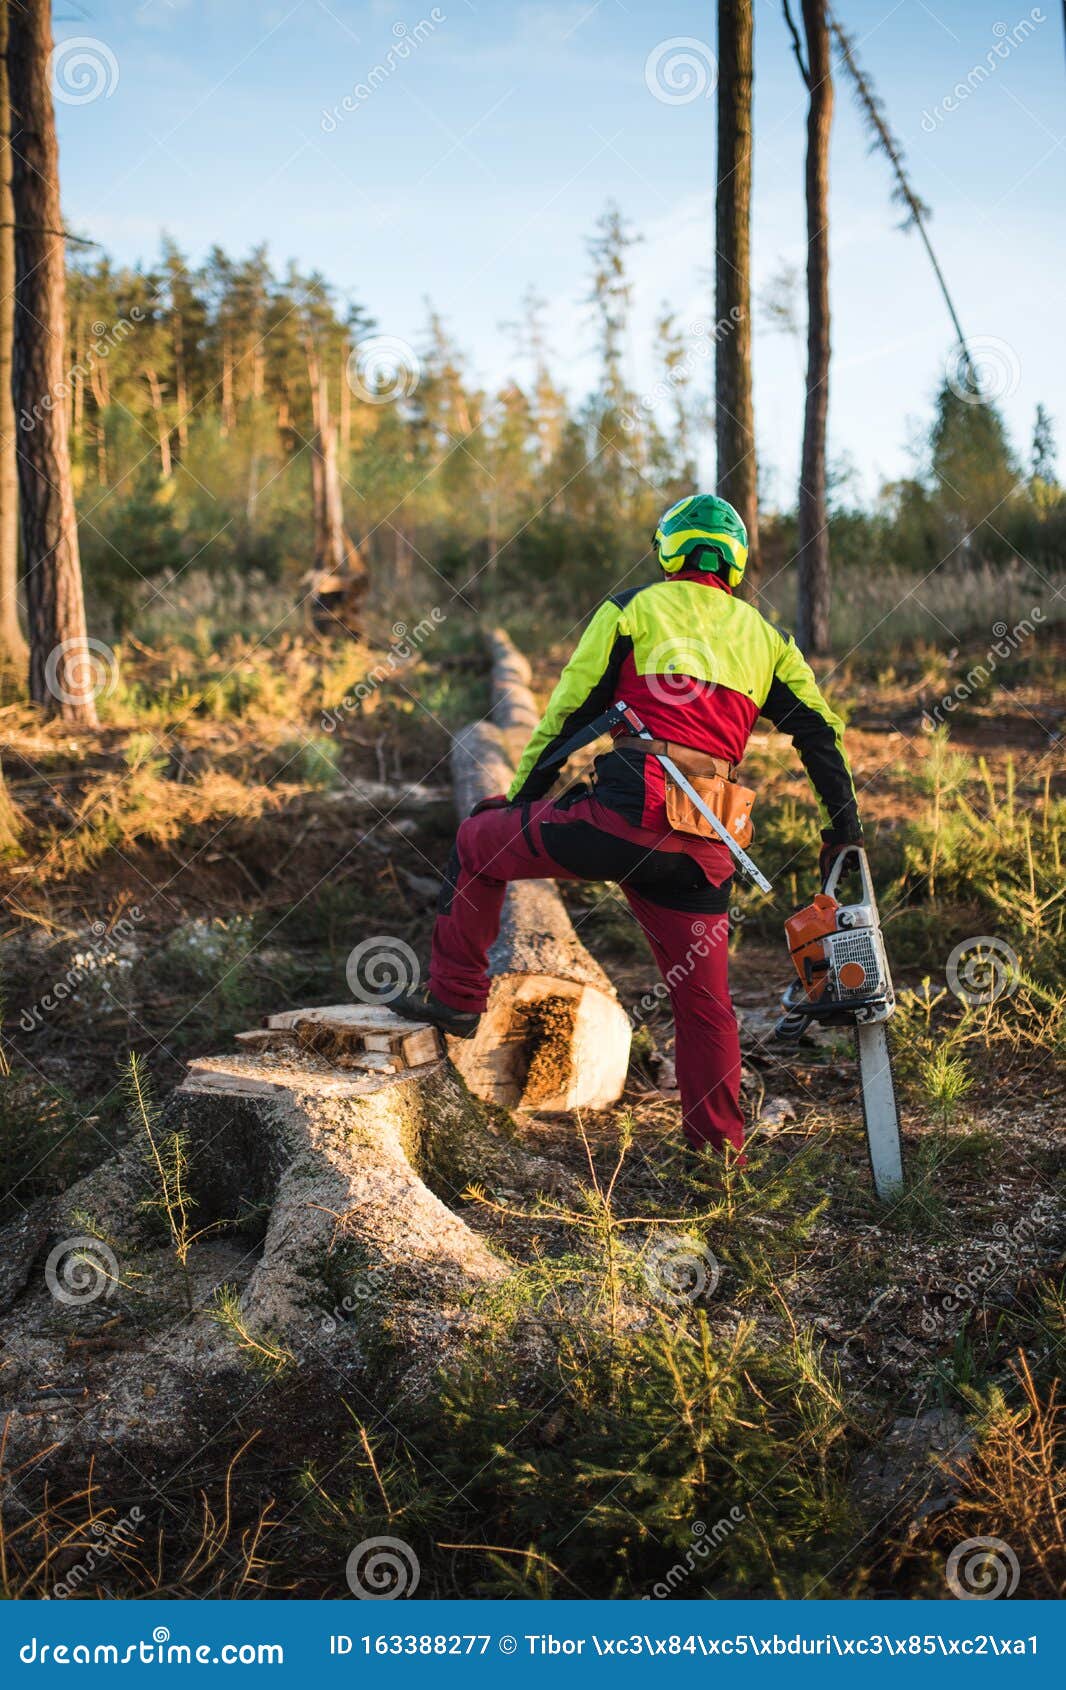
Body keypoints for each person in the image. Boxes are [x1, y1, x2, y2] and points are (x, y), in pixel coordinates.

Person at [394, 494, 862, 1158]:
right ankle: (717, 1158)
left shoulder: (633, 610)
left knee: (476, 841)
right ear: (733, 561)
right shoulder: (768, 640)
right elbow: (823, 736)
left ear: (671, 549)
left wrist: (520, 798)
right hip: (703, 848)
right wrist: (844, 831)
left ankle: (458, 999)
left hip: (621, 822)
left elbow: (565, 712)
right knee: (706, 1010)